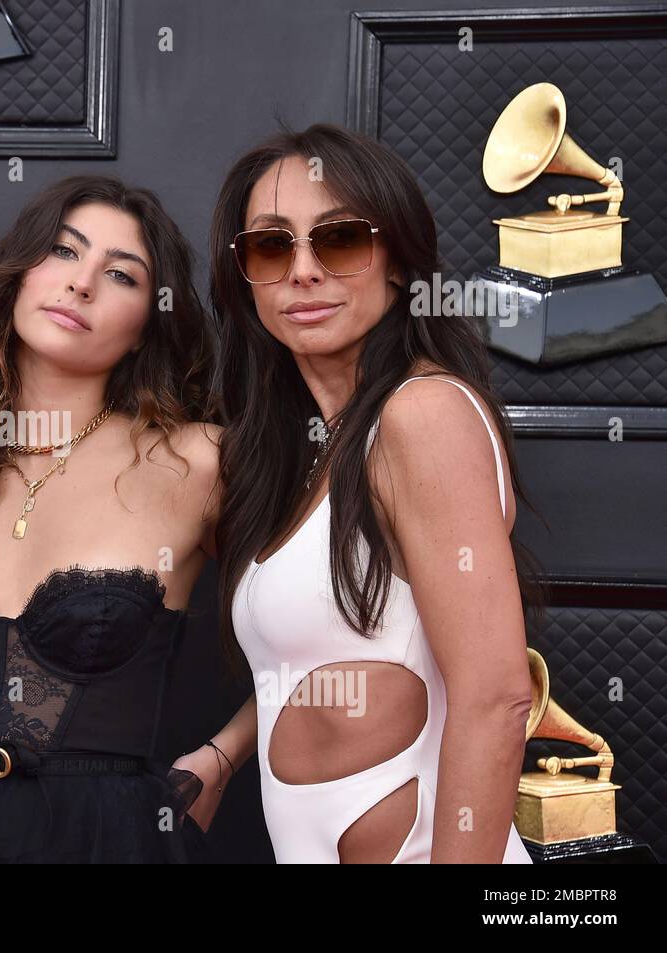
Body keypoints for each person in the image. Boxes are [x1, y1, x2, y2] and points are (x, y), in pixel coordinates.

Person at [197, 123, 536, 863]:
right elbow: (318, 661)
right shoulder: (311, 447)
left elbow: (496, 695)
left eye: (341, 239)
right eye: (271, 245)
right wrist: (223, 753)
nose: (305, 270)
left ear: (400, 261)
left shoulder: (422, 415)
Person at [0, 175, 222, 863]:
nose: (83, 283)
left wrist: (224, 755)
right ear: (20, 276)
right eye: (64, 252)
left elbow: (315, 623)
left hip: (107, 839)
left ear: (145, 325)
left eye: (121, 274)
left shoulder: (197, 461)